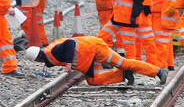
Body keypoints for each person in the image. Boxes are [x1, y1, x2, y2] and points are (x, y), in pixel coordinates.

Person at [27, 36, 167, 86]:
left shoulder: (53, 51)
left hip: (95, 48)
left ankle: (158, 71)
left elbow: (70, 43)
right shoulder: (49, 54)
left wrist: (69, 63)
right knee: (93, 81)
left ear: (38, 59)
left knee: (124, 63)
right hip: (87, 56)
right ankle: (122, 75)